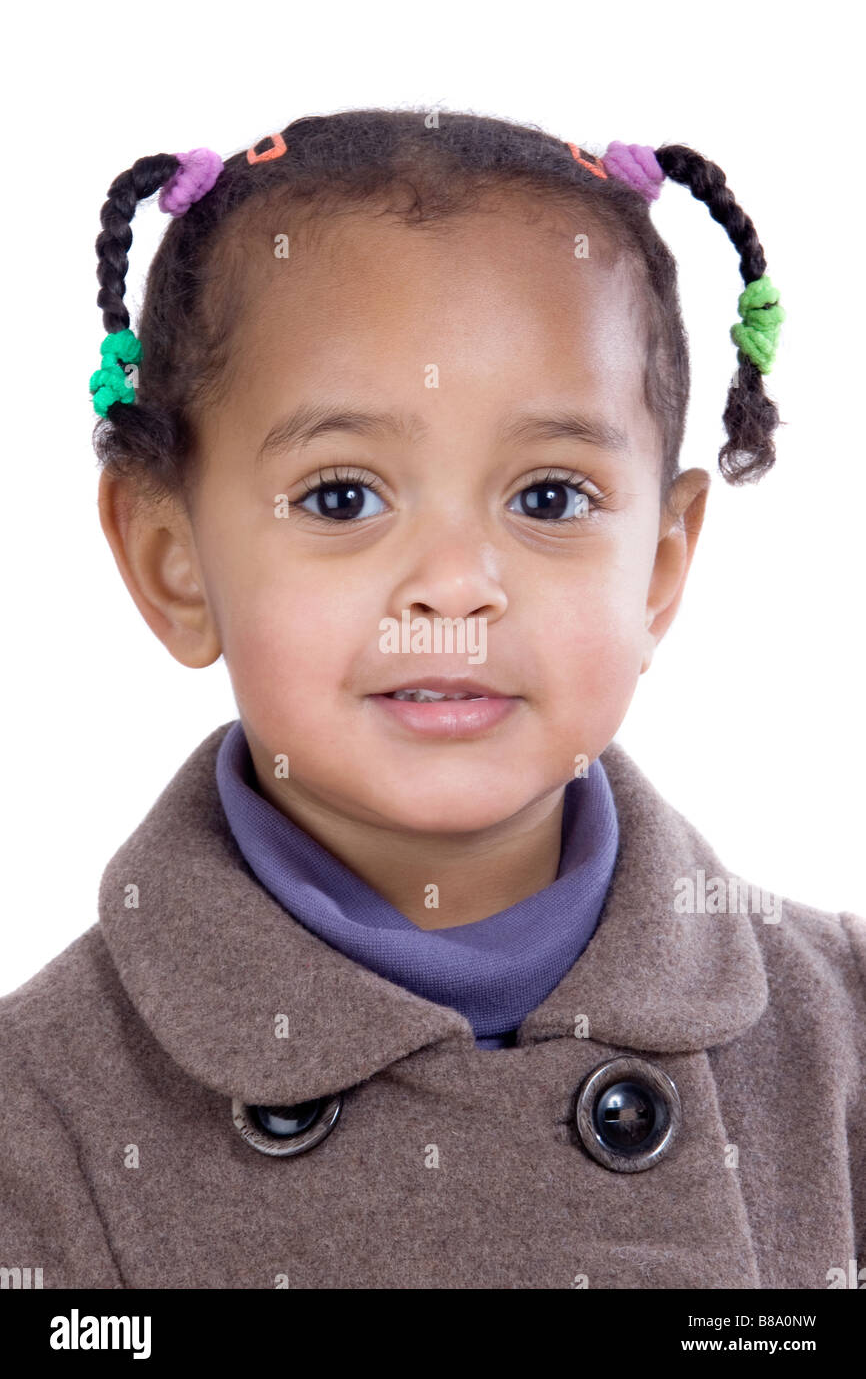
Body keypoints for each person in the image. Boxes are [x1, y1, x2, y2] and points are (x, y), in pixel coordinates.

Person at [1, 110, 862, 1290]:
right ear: (171, 560)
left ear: (659, 569)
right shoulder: (35, 1118)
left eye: (550, 498)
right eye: (343, 497)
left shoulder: (842, 1033)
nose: (455, 585)